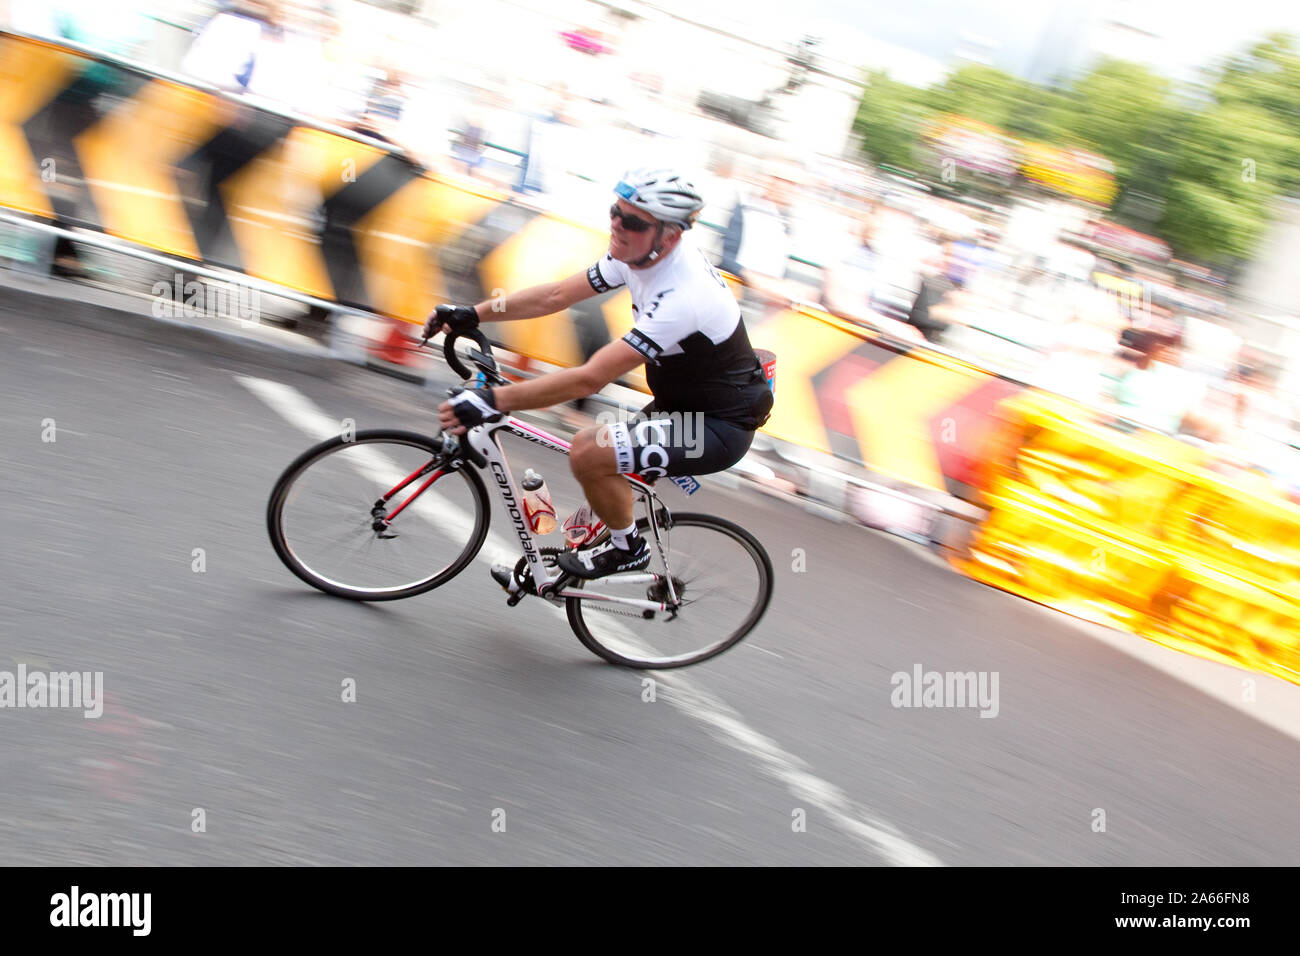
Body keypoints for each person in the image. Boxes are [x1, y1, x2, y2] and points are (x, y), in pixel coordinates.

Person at [426, 169, 774, 581]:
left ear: (670, 236)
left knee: (591, 450)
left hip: (716, 427)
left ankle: (629, 549)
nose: (616, 224)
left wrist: (491, 402)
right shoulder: (638, 254)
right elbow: (556, 295)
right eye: (616, 212)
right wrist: (473, 313)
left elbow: (589, 379)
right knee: (603, 483)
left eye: (632, 221)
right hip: (679, 404)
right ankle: (558, 576)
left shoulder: (684, 295)